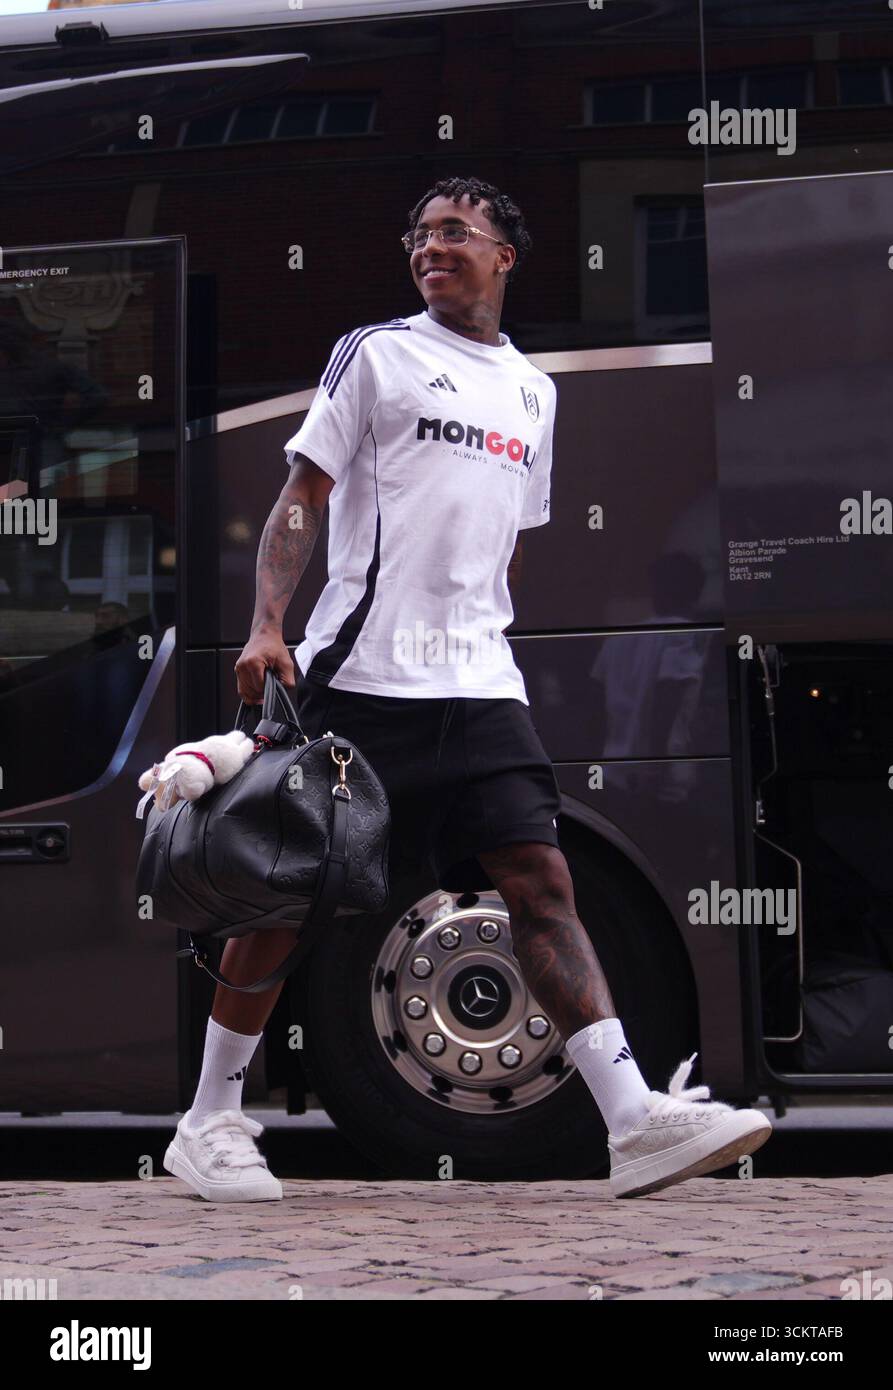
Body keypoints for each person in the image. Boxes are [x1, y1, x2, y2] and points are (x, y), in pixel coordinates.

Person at [163, 176, 771, 1203]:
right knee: (287, 894)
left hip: (481, 688)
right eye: (419, 235)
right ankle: (208, 1118)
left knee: (540, 882)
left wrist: (486, 637)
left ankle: (631, 1121)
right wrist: (270, 624)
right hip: (359, 681)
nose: (429, 248)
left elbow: (509, 546)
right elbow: (299, 499)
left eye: (454, 232)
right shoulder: (378, 353)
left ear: (504, 254)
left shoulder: (535, 391)